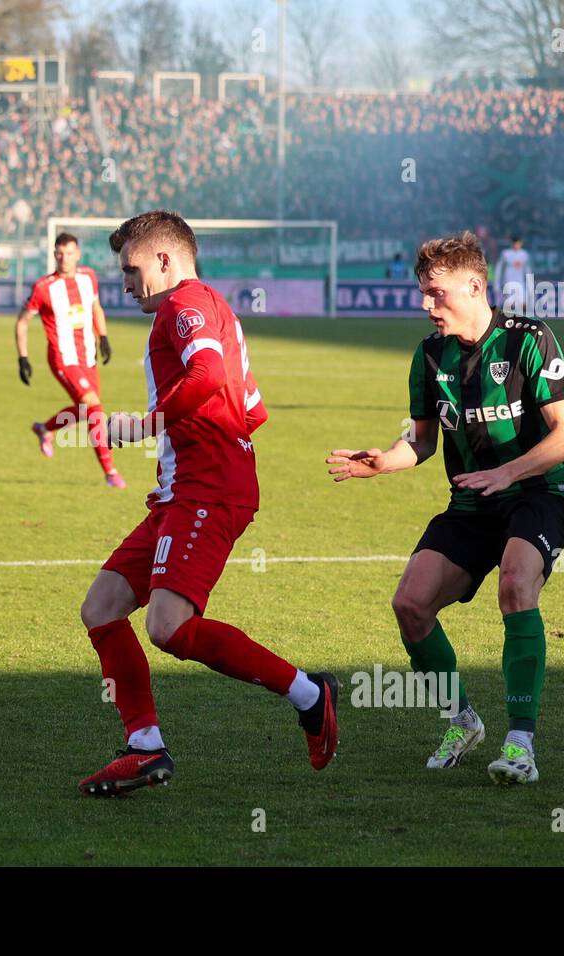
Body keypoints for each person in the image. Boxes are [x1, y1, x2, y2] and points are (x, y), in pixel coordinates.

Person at [77, 210, 339, 796]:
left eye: (132, 268)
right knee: (101, 607)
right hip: (186, 487)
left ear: (166, 260)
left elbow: (207, 373)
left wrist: (148, 424)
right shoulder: (209, 305)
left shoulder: (183, 305)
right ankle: (145, 747)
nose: (125, 284)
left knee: (167, 626)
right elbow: (252, 409)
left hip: (206, 487)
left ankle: (309, 694)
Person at [328, 231, 564, 785]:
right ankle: (461, 719)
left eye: (436, 293)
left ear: (474, 285)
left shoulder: (528, 339)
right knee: (410, 605)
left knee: (516, 584)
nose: (426, 305)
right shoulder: (429, 355)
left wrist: (509, 471)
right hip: (472, 502)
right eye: (423, 293)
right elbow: (421, 441)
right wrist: (383, 460)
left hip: (540, 493)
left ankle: (520, 744)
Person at [15, 232, 124, 488]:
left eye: (70, 253)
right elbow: (22, 322)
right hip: (63, 358)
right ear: (54, 254)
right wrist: (23, 357)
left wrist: (104, 336)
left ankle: (44, 428)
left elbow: (96, 308)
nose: (64, 258)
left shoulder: (89, 277)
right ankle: (110, 472)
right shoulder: (43, 288)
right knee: (95, 408)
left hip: (88, 355)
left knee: (87, 410)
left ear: (78, 254)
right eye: (60, 253)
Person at [494, 236, 530, 315]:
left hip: (520, 282)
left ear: (521, 243)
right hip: (508, 282)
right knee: (509, 305)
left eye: (518, 243)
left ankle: (523, 321)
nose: (516, 245)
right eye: (515, 243)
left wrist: (529, 283)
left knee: (524, 304)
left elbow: (527, 270)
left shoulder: (524, 254)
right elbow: (499, 268)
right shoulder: (506, 253)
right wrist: (497, 283)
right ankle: (507, 323)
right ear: (511, 243)